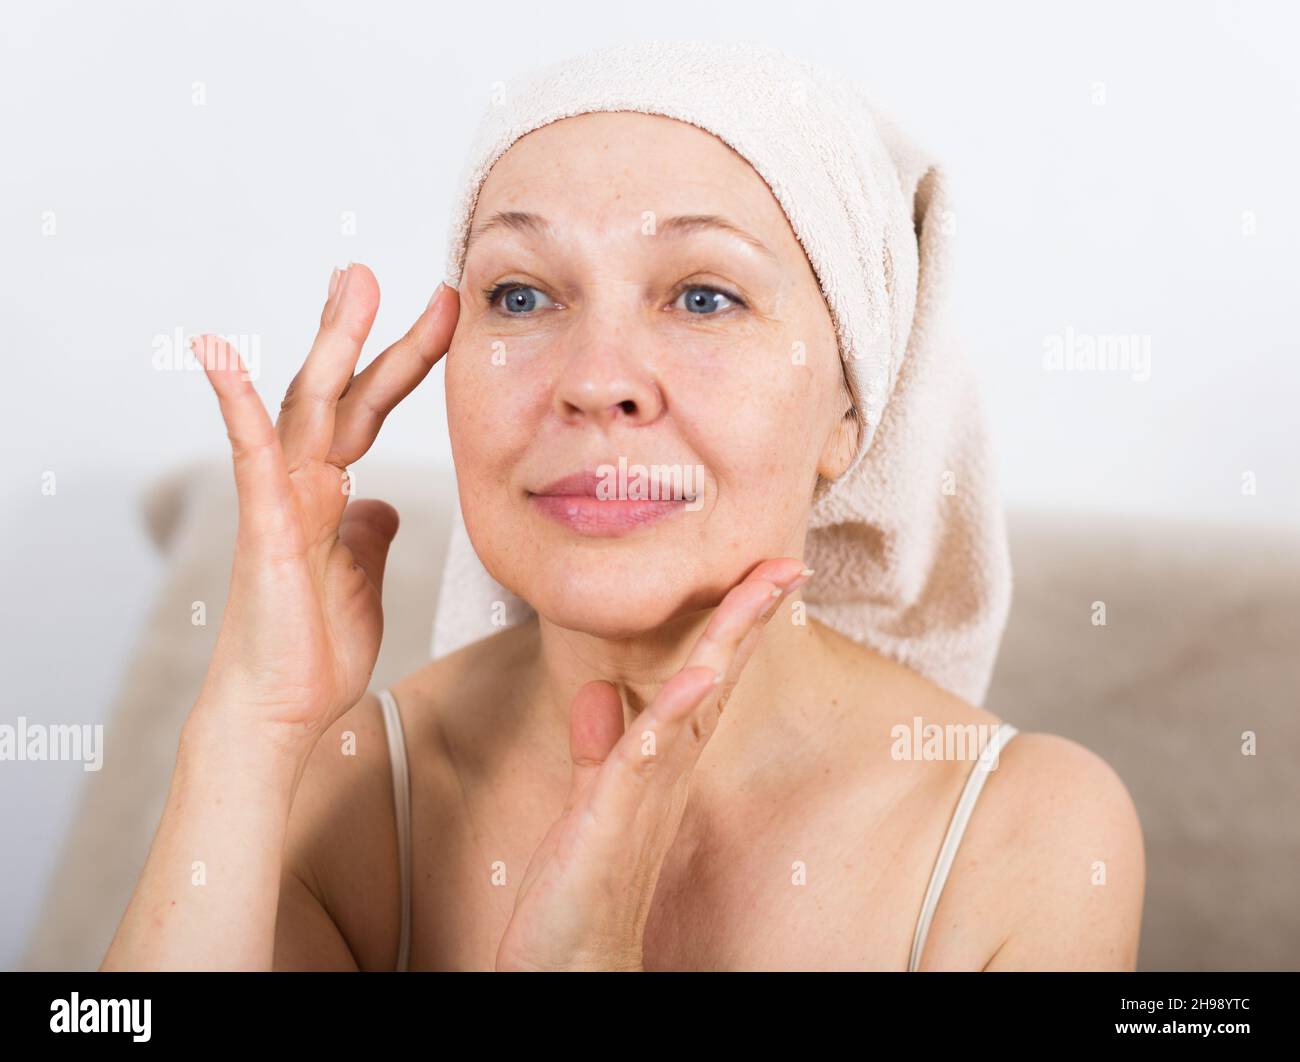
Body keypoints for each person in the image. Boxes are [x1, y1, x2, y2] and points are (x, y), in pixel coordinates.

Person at [102, 42, 1144, 972]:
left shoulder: (1024, 833)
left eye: (703, 296)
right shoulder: (345, 798)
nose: (597, 379)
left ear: (849, 405)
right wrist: (249, 721)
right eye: (521, 296)